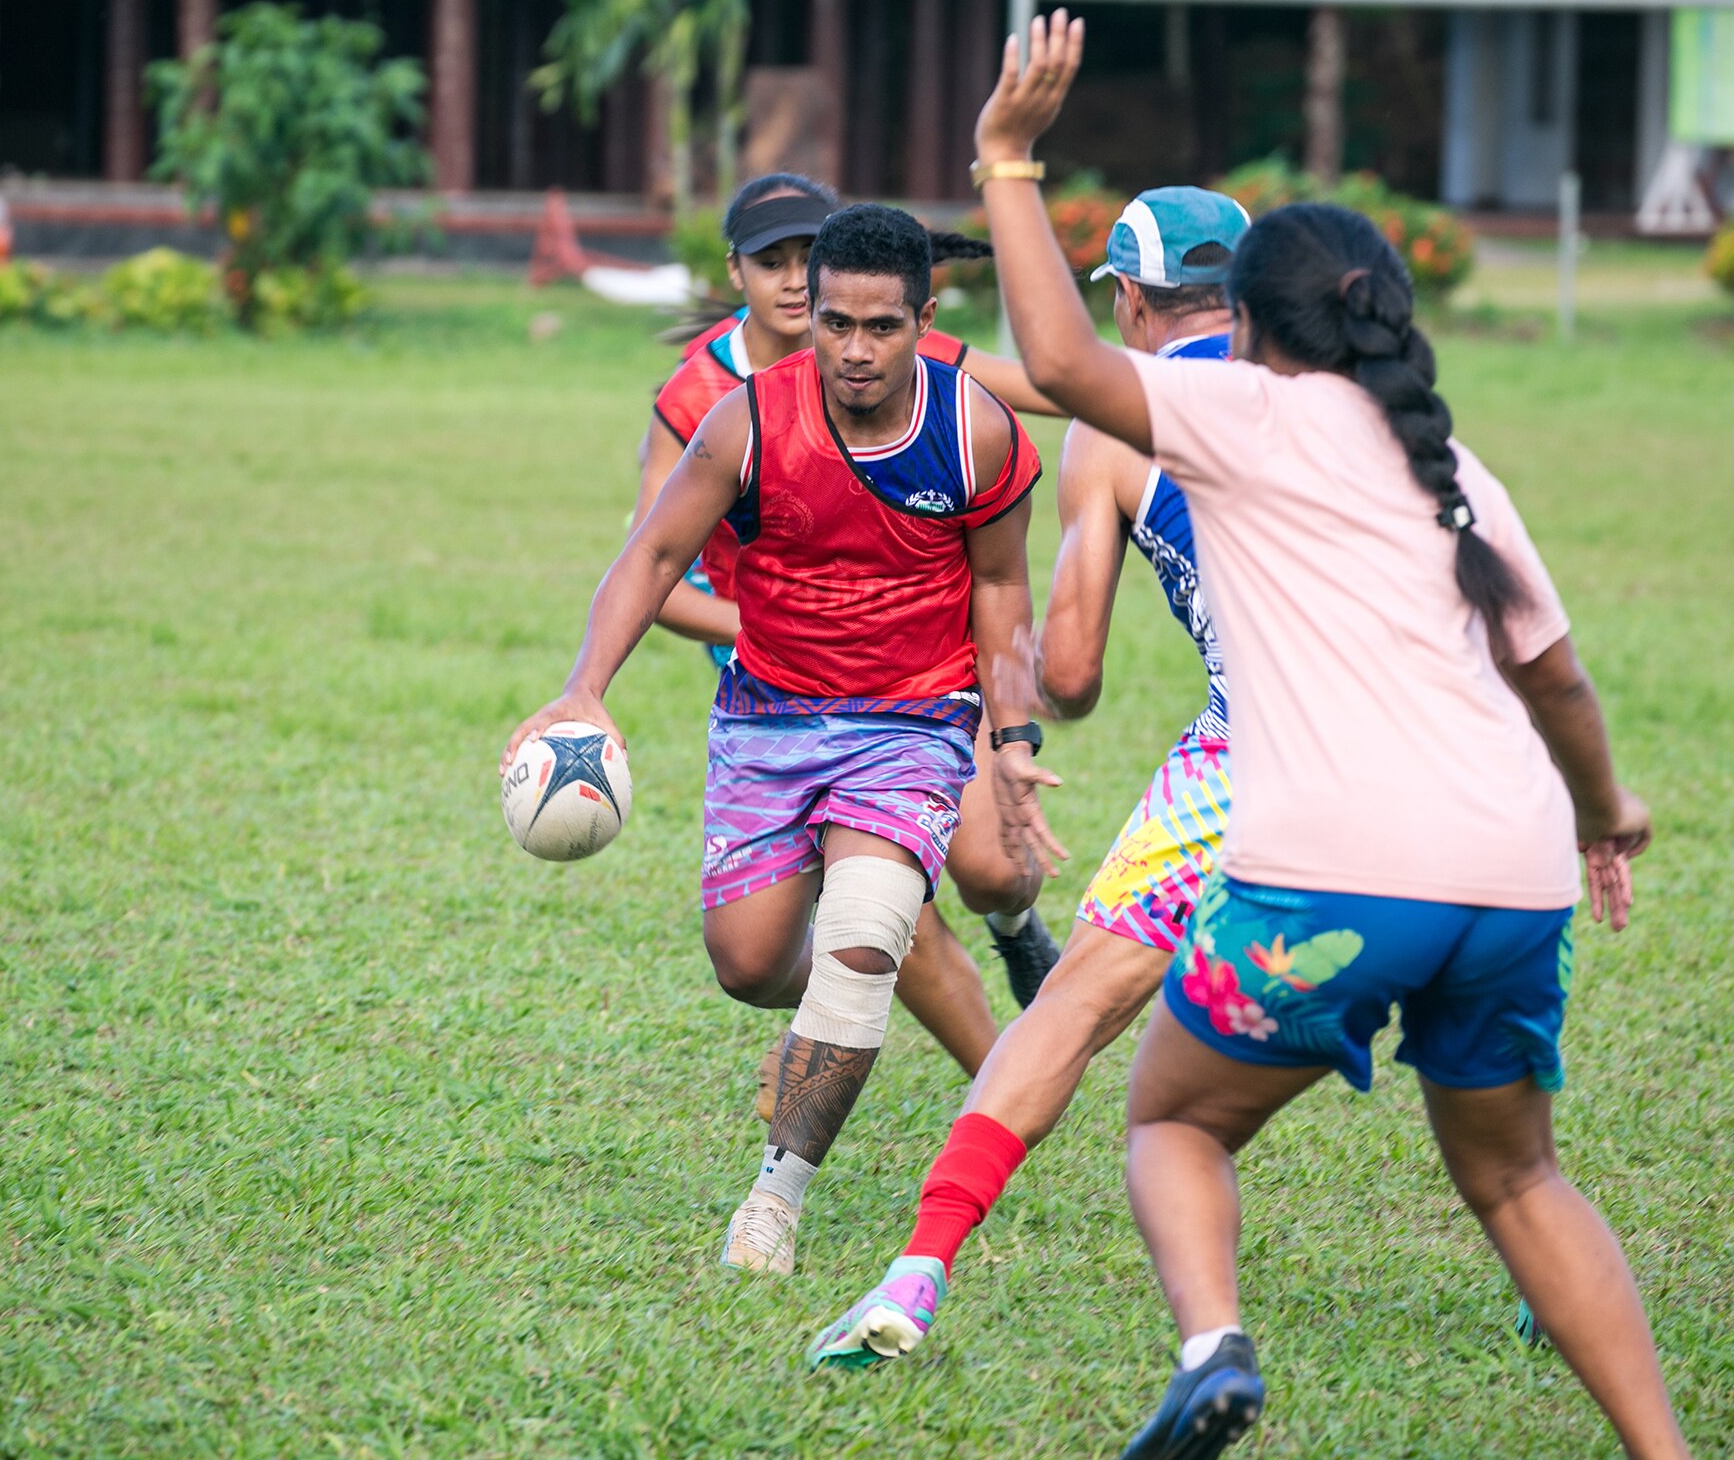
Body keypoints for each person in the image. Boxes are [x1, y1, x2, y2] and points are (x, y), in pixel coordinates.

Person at [966, 12, 1688, 1460]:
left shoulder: (1241, 418)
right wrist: (1606, 812)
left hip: (1342, 875)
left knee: (1174, 1124)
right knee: (1521, 1183)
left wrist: (1007, 159)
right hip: (1516, 873)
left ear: (1260, 329)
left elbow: (1053, 353)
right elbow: (1557, 681)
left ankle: (1214, 1349)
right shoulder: (1454, 464)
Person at [507, 203, 1063, 1278]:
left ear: (925, 320)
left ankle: (775, 1199)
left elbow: (999, 583)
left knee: (861, 936)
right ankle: (837, 1008)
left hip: (914, 720)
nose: (857, 350)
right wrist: (584, 691)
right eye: (838, 325)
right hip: (767, 722)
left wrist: (1012, 734)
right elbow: (653, 555)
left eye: (884, 328)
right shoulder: (744, 422)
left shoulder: (976, 427)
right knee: (751, 962)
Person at [807, 184, 1253, 1369]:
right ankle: (1536, 1254)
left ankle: (917, 1273)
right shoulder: (1340, 399)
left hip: (1248, 751)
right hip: (1418, 750)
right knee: (1456, 995)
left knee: (1074, 1008)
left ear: (1131, 304)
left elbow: (1071, 671)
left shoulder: (1111, 433)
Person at [637, 176, 1065, 1032]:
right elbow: (654, 575)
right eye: (773, 261)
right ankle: (1000, 1091)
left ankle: (1013, 930)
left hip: (923, 683)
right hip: (781, 699)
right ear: (737, 272)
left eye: (809, 257)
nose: (795, 280)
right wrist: (791, 625)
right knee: (864, 931)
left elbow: (1054, 386)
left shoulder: (893, 355)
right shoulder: (701, 401)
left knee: (986, 870)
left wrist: (1169, 402)